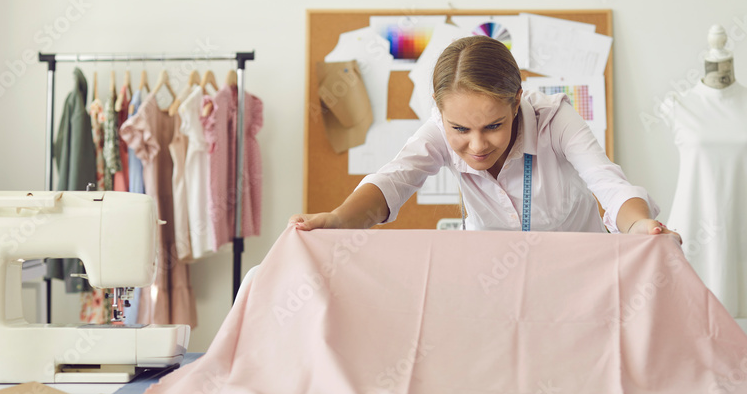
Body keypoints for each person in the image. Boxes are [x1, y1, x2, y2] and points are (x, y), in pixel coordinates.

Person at [290, 35, 678, 241]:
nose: (477, 146)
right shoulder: (439, 129)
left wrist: (641, 225)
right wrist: (340, 220)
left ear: (516, 102)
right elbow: (394, 179)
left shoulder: (555, 119)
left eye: (493, 126)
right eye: (460, 129)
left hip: (579, 273)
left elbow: (608, 184)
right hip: (492, 277)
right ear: (441, 114)